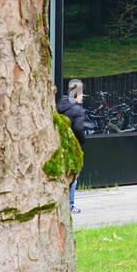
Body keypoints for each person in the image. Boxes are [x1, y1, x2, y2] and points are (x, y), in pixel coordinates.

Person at [56, 79, 90, 214]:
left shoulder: (59, 105)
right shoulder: (77, 110)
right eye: (81, 94)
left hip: (58, 145)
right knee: (73, 177)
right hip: (70, 146)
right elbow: (78, 129)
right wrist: (81, 140)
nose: (82, 97)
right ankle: (70, 205)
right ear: (77, 94)